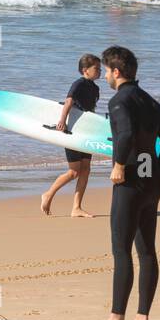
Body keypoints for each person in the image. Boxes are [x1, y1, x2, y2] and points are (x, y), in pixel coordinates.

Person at [89, 45, 160, 320]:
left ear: (116, 72)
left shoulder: (119, 101)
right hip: (151, 181)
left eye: (106, 70)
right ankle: (142, 318)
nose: (104, 76)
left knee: (121, 251)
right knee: (147, 252)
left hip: (128, 183)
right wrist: (153, 164)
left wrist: (118, 165)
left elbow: (126, 133)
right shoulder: (150, 101)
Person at [40, 54, 102, 218]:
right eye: (96, 68)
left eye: (100, 68)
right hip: (72, 131)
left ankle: (77, 208)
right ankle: (48, 194)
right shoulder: (79, 84)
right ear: (85, 70)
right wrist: (62, 121)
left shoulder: (95, 88)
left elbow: (90, 111)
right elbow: (68, 102)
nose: (100, 71)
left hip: (85, 131)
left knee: (86, 169)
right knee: (74, 171)